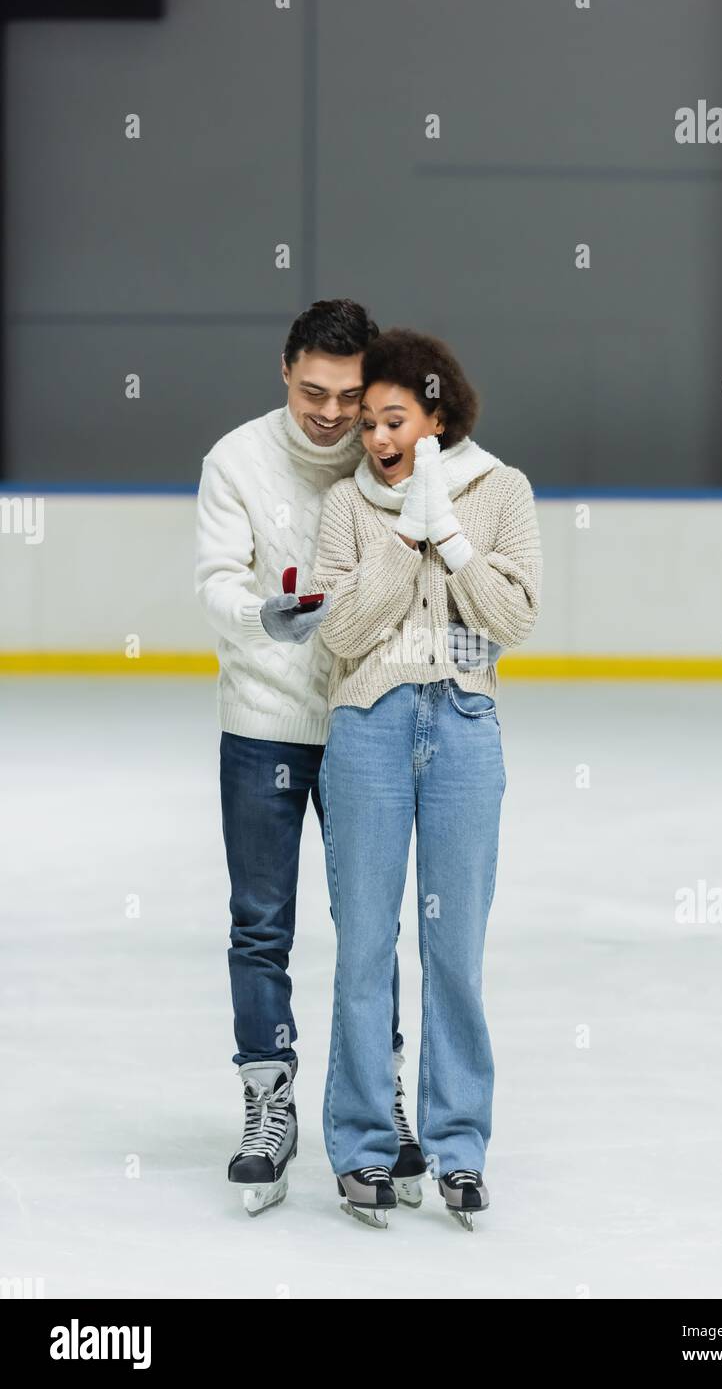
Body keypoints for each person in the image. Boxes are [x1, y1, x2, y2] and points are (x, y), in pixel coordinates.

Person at [195, 300, 497, 1216]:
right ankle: (270, 1100)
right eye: (315, 394)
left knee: (377, 929)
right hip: (267, 718)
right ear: (283, 371)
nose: (336, 417)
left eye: (354, 399)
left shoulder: (393, 457)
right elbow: (215, 581)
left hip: (369, 725)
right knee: (262, 922)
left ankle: (382, 1096)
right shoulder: (237, 460)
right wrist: (260, 615)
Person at [311, 328, 542, 1228]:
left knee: (455, 956)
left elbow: (512, 619)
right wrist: (403, 540)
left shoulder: (502, 492)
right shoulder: (345, 507)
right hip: (366, 727)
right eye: (367, 422)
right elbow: (341, 633)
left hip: (463, 727)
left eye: (393, 418)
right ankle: (366, 1145)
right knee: (364, 947)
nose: (375, 438)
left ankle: (459, 1148)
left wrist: (449, 532)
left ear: (437, 415)